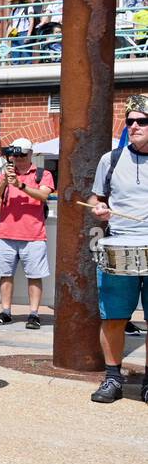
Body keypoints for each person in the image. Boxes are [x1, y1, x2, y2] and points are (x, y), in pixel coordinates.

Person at [90, 95, 148, 403]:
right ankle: (112, 378)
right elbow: (97, 200)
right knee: (113, 317)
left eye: (142, 121)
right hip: (120, 246)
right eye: (130, 121)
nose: (135, 126)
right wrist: (99, 211)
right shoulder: (109, 160)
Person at [0, 138, 52, 329]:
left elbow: (43, 195)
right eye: (15, 155)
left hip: (33, 233)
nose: (19, 159)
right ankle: (5, 312)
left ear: (31, 154)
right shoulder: (6, 173)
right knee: (5, 274)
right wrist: (6, 182)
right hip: (6, 232)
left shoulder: (42, 173)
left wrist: (20, 185)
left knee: (35, 275)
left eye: (23, 154)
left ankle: (34, 314)